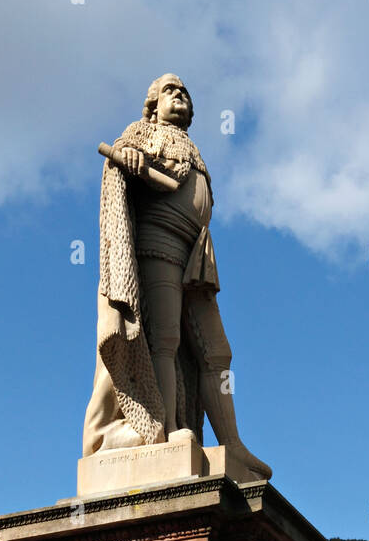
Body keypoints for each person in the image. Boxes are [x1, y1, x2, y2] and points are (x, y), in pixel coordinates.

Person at [82, 73, 270, 480]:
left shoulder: (192, 148)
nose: (180, 94)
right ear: (153, 105)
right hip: (159, 241)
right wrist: (130, 161)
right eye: (170, 90)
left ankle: (232, 443)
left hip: (196, 254)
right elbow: (121, 168)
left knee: (216, 351)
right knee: (165, 338)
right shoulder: (140, 132)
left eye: (184, 90)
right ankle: (161, 434)